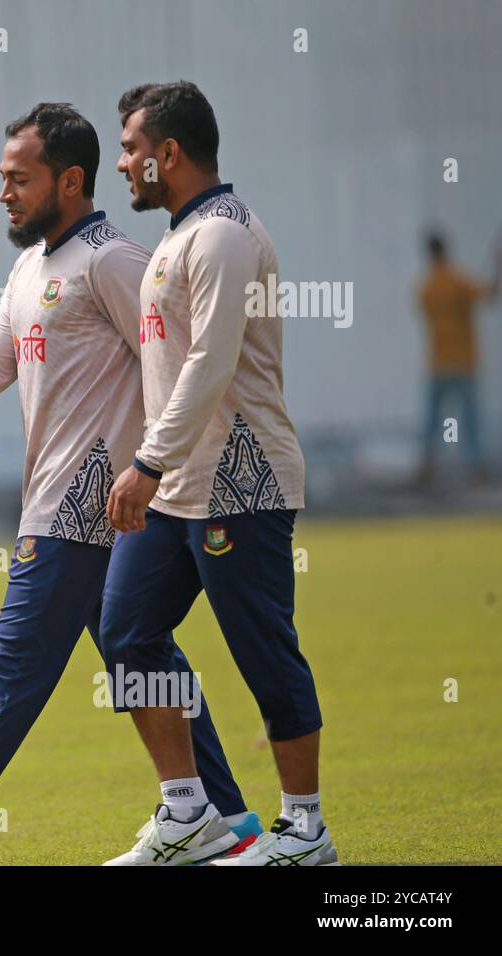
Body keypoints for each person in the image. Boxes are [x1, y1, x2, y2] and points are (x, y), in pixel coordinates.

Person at [0, 104, 258, 866]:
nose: (4, 193)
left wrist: (158, 468)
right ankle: (225, 820)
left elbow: (185, 365)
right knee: (144, 658)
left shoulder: (115, 263)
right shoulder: (31, 267)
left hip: (92, 505)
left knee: (15, 663)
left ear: (70, 180)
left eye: (19, 179)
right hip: (67, 506)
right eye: (2, 179)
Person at [102, 81, 338, 865]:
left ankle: (305, 829)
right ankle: (188, 812)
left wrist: (144, 462)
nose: (125, 164)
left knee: (264, 653)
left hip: (243, 479)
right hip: (178, 487)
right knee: (128, 635)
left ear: (169, 153)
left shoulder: (227, 236)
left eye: (133, 149)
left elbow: (212, 363)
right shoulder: (182, 234)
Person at [417, 231, 499, 485]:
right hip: (464, 362)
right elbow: (490, 296)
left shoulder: (426, 288)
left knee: (432, 422)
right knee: (471, 422)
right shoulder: (459, 281)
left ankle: (427, 467)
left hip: (438, 364)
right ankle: (477, 468)